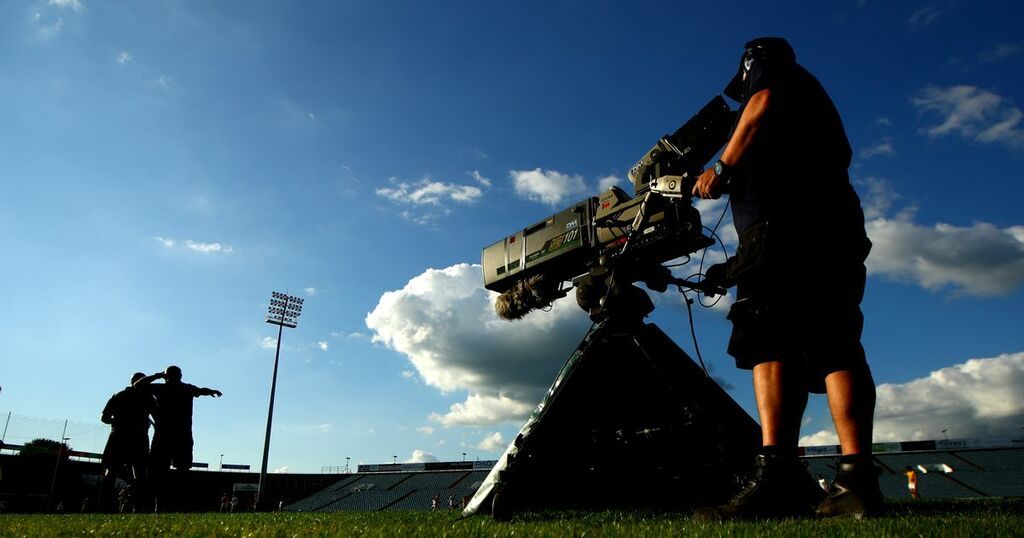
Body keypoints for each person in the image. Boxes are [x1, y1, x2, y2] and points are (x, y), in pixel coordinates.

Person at [692, 37, 881, 520]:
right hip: (830, 227)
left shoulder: (771, 73)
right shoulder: (811, 101)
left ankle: (775, 477)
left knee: (768, 341)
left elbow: (763, 99)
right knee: (834, 340)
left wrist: (721, 168)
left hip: (785, 227)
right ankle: (856, 484)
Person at [136, 365, 222, 511]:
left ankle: (163, 505)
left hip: (166, 434)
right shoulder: (184, 388)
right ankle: (177, 504)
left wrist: (158, 375)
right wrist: (211, 391)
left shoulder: (162, 388)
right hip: (180, 435)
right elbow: (201, 390)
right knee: (180, 471)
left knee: (163, 471)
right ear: (180, 376)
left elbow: (138, 385)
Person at [99, 372, 156, 512]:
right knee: (140, 473)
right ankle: (138, 507)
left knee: (111, 471)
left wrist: (117, 422)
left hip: (118, 435)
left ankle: (104, 506)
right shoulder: (148, 398)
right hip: (139, 437)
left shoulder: (119, 395)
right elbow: (158, 417)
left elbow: (104, 418)